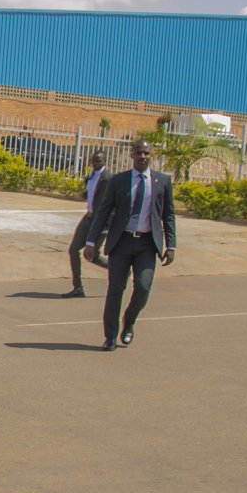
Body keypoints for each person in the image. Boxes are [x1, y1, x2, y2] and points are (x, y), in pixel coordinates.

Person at [84, 139, 176, 351]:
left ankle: (130, 321)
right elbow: (103, 212)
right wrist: (91, 241)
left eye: (146, 153)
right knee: (116, 289)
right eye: (138, 152)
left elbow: (168, 215)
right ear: (131, 155)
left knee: (143, 288)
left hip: (146, 244)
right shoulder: (119, 181)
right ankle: (110, 337)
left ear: (150, 155)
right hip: (121, 242)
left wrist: (171, 245)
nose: (142, 156)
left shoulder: (162, 181)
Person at [61, 150, 111, 298]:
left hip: (100, 222)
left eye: (99, 161)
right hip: (88, 218)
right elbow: (91, 194)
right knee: (73, 250)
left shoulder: (108, 178)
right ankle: (78, 287)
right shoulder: (90, 176)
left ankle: (119, 270)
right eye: (94, 161)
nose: (96, 164)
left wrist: (106, 225)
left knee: (92, 256)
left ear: (104, 162)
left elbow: (111, 203)